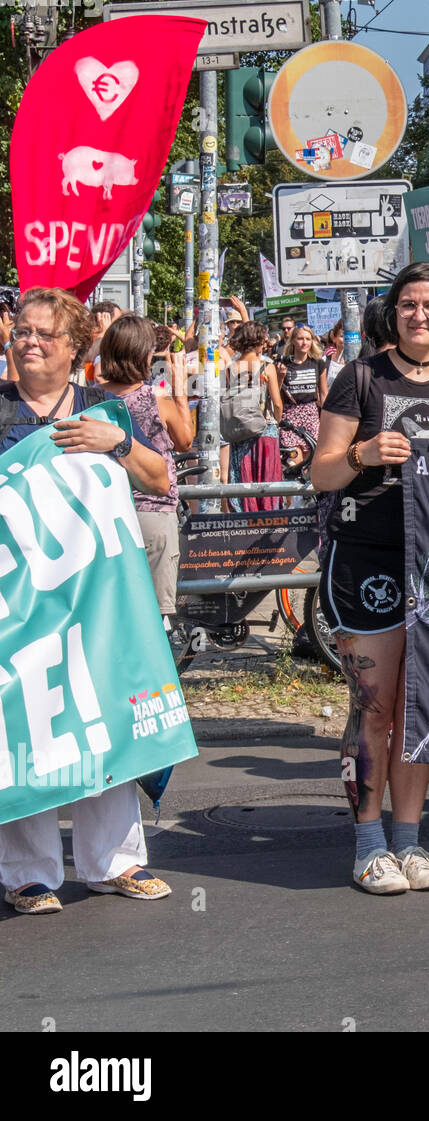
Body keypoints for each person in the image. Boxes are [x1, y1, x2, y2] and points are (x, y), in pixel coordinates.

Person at [315, 262, 429, 895]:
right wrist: (363, 453)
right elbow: (322, 473)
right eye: (409, 305)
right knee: (375, 707)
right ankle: (367, 844)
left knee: (421, 709)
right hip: (366, 558)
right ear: (394, 313)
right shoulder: (360, 377)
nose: (421, 315)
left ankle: (410, 842)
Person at [0, 288, 172, 914]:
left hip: (98, 602)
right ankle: (27, 874)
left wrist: (117, 445)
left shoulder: (107, 409)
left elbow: (160, 481)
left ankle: (114, 863)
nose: (29, 341)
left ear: (75, 347)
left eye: (45, 333)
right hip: (18, 607)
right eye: (21, 330)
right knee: (24, 728)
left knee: (107, 722)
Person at [95, 314, 194, 640]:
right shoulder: (155, 397)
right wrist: (180, 385)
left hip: (104, 516)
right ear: (143, 355)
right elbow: (185, 440)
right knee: (153, 618)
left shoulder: (88, 398)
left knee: (109, 611)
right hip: (151, 511)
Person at [225, 322, 283, 512]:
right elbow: (277, 403)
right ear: (258, 341)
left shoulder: (231, 368)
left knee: (244, 481)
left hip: (240, 432)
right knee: (268, 483)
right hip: (265, 430)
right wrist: (276, 421)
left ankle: (245, 524)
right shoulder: (267, 367)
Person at [278, 324, 325, 473]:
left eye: (308, 339)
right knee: (294, 464)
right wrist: (280, 376)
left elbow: (324, 394)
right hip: (290, 417)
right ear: (293, 341)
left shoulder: (318, 363)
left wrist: (328, 419)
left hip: (311, 415)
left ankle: (307, 497)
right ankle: (292, 496)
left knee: (309, 466)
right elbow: (276, 394)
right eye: (300, 339)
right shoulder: (283, 364)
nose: (304, 342)